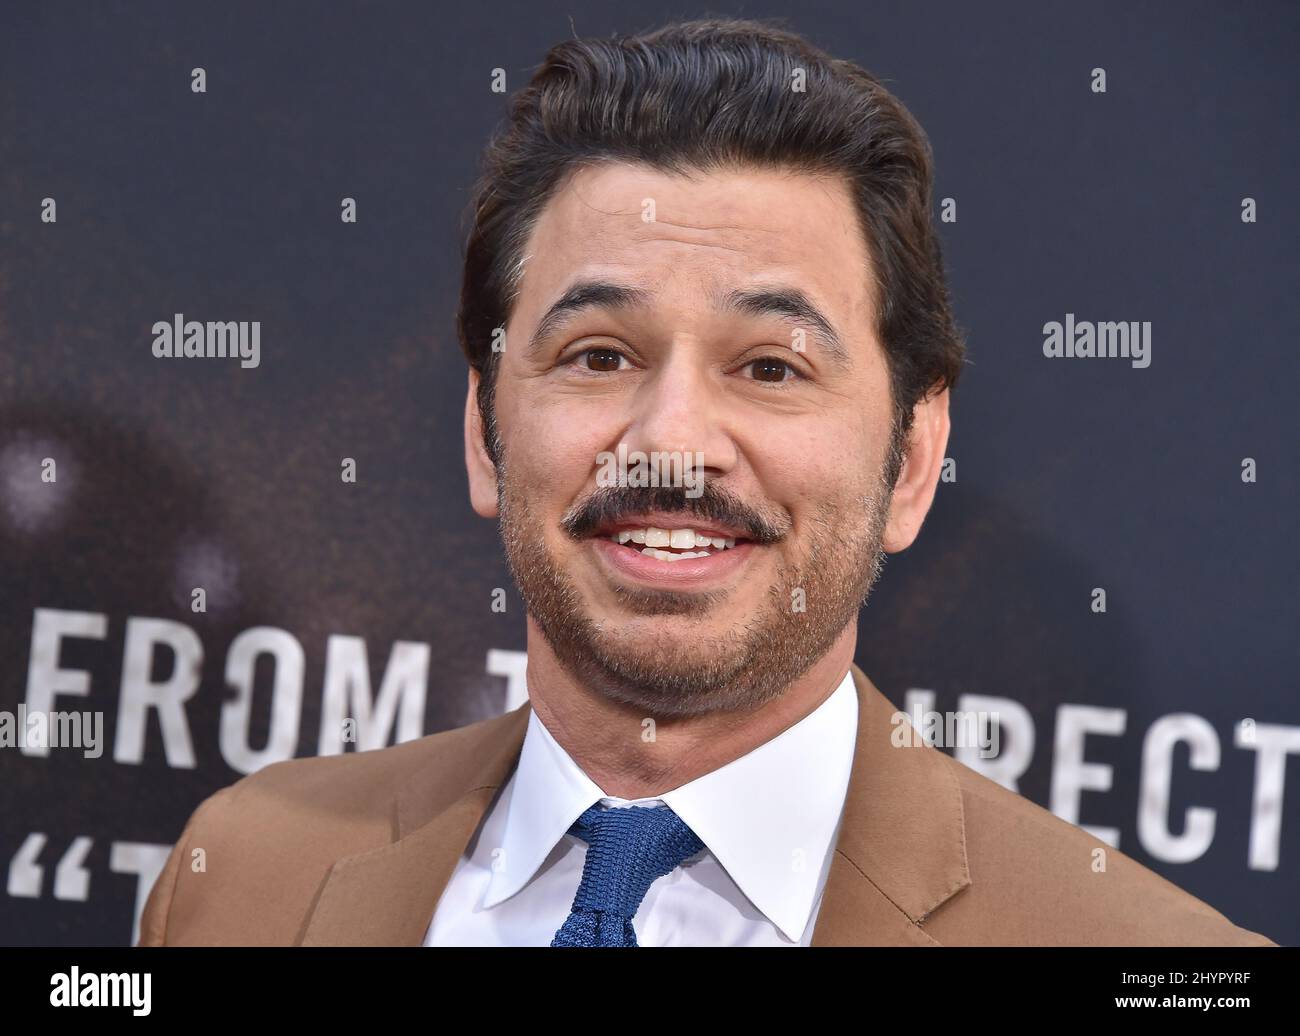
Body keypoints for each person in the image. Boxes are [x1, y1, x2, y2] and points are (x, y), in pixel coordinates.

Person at [137, 17, 1275, 947]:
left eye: (771, 367)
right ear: (486, 433)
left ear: (913, 461)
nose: (672, 439)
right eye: (598, 355)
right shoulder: (241, 878)